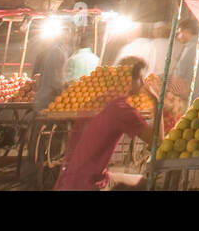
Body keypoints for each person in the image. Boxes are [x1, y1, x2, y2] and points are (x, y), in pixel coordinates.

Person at [54, 57, 159, 191]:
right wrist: (156, 102)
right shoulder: (122, 110)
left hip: (69, 179)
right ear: (129, 80)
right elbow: (158, 142)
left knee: (133, 180)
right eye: (140, 78)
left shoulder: (98, 101)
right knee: (147, 184)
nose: (143, 83)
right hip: (87, 183)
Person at [31, 26, 71, 111]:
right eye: (68, 34)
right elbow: (56, 77)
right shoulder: (57, 51)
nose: (69, 37)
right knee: (44, 122)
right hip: (48, 99)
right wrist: (64, 90)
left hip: (43, 98)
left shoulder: (54, 50)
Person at [167, 19, 199, 103]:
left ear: (186, 31)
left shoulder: (192, 48)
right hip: (188, 92)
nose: (178, 37)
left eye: (179, 33)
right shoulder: (193, 45)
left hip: (187, 94)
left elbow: (181, 72)